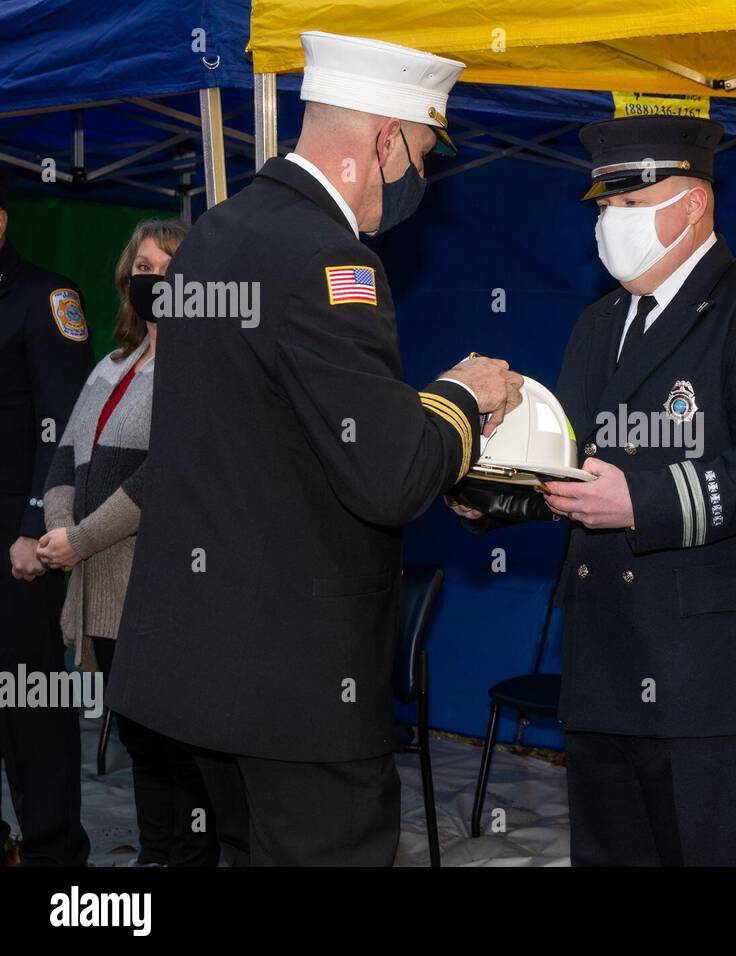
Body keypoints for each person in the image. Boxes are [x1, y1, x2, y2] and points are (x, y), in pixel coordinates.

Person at [106, 31, 523, 866]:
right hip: (294, 689)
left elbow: (268, 428)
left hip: (191, 674)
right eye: (421, 153)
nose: (421, 179)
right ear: (383, 140)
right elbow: (392, 474)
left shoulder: (215, 234)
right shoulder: (334, 262)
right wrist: (461, 400)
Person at [453, 116, 736, 866]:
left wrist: (645, 502)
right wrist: (488, 497)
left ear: (692, 207)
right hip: (605, 661)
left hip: (714, 675)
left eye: (629, 205)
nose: (609, 224)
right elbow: (574, 469)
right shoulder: (599, 324)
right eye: (602, 207)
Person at [38, 218, 221, 867]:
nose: (153, 279)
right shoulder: (110, 365)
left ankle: (192, 858)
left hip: (162, 586)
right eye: (143, 268)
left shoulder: (202, 366)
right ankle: (154, 857)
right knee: (141, 737)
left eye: (167, 267)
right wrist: (60, 531)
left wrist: (79, 540)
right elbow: (64, 456)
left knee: (179, 740)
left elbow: (163, 474)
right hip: (103, 586)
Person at [0, 167, 93, 866]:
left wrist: (37, 526)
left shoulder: (44, 297)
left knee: (34, 707)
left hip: (19, 545)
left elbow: (65, 423)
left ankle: (55, 857)